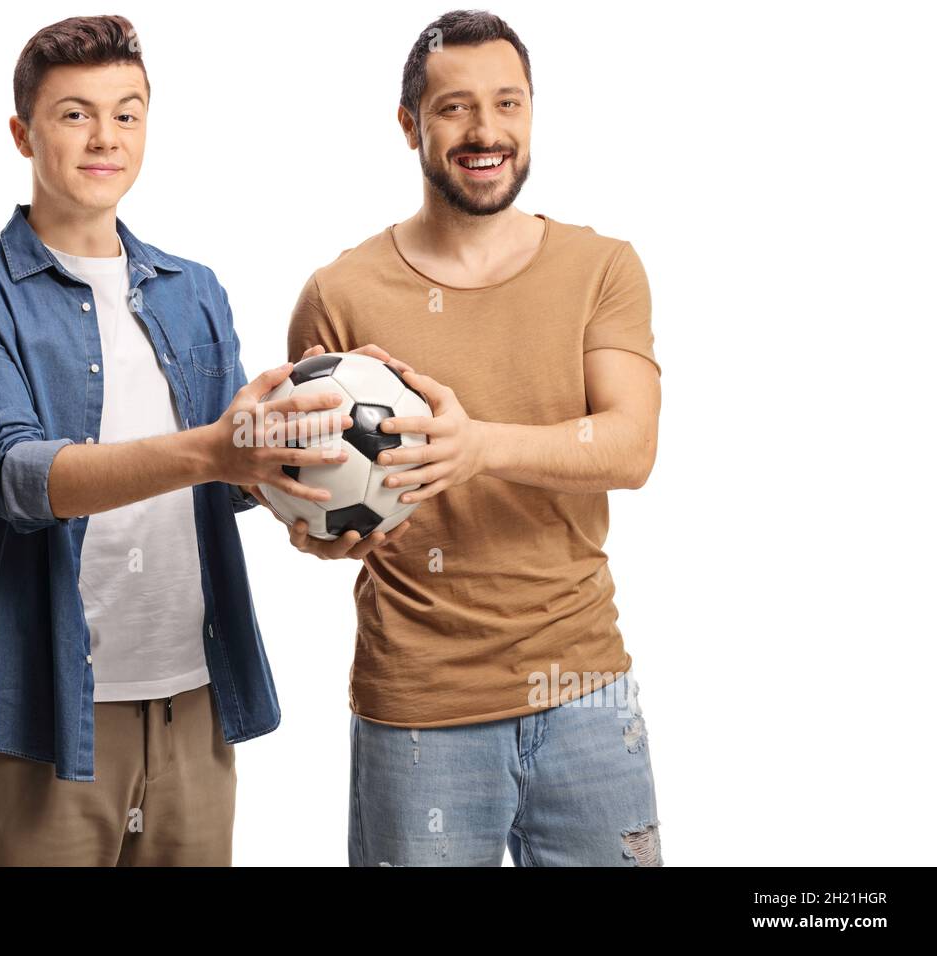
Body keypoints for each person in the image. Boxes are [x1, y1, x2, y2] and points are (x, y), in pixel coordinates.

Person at [0, 14, 365, 865]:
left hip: (194, 699)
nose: (105, 137)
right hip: (42, 713)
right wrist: (217, 451)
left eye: (127, 113)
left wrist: (316, 460)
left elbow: (231, 477)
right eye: (75, 113)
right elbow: (17, 478)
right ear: (23, 133)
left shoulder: (194, 291)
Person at [274, 9, 665, 866]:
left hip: (586, 691)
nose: (487, 132)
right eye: (455, 108)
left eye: (509, 104)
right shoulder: (339, 293)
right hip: (418, 705)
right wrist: (320, 536)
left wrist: (477, 445)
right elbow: (306, 489)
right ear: (411, 124)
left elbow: (631, 446)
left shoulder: (602, 267)